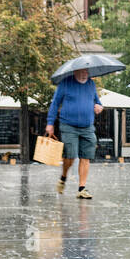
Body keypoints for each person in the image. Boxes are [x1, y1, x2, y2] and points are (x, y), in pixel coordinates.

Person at [45, 68, 103, 199]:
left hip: (87, 126)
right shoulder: (65, 83)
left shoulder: (91, 84)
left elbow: (97, 102)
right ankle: (64, 176)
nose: (85, 75)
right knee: (70, 155)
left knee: (86, 156)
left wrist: (99, 107)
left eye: (87, 72)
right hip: (68, 125)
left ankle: (82, 189)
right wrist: (50, 123)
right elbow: (55, 104)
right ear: (75, 72)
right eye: (82, 72)